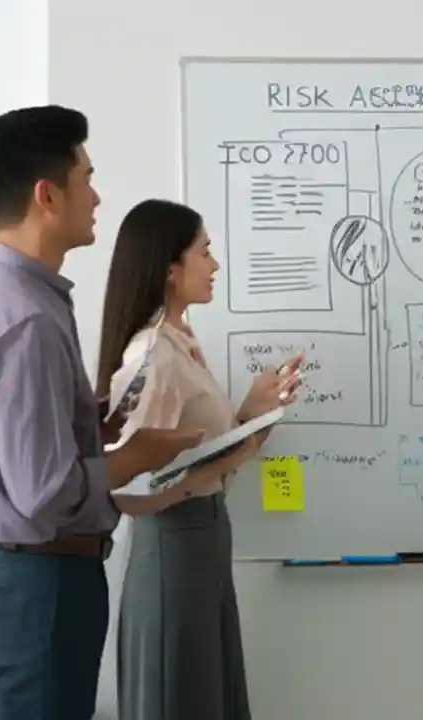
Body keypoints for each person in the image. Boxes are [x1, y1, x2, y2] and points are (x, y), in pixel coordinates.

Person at [0, 106, 202, 720]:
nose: (97, 196)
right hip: (41, 583)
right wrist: (135, 455)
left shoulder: (16, 296)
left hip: (33, 579)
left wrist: (94, 426)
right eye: (86, 178)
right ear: (47, 195)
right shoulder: (25, 318)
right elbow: (43, 490)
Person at [96, 199, 302, 720]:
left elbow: (196, 461)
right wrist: (223, 456)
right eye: (205, 251)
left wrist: (253, 415)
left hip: (203, 541)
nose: (215, 264)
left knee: (206, 695)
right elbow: (128, 484)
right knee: (181, 696)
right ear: (170, 267)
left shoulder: (181, 343)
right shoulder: (151, 355)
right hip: (175, 546)